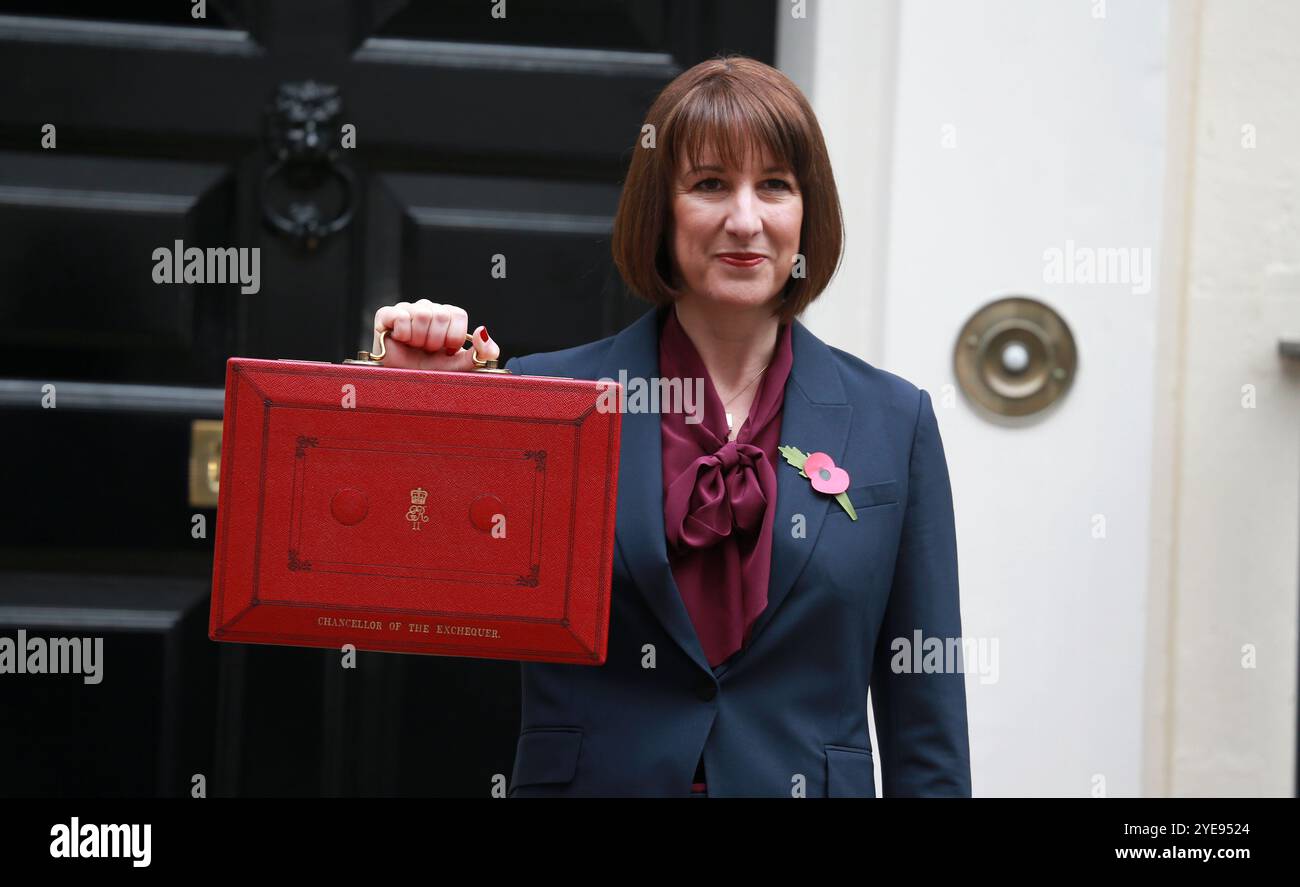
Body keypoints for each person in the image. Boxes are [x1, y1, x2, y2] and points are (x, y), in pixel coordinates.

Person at [371, 54, 971, 797]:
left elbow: (928, 722)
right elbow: (393, 574)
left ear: (807, 212)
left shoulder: (895, 420)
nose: (745, 219)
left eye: (775, 185)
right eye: (710, 183)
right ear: (662, 209)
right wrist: (407, 401)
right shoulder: (547, 399)